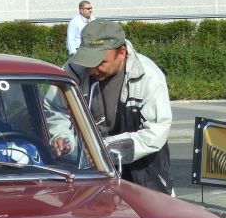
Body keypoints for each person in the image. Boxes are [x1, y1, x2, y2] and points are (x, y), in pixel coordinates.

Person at [64, 19, 174, 194]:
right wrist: (63, 137)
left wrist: (102, 149)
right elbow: (55, 110)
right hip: (88, 174)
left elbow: (157, 129)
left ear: (122, 52)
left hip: (144, 173)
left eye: (100, 63)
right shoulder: (74, 70)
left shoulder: (149, 76)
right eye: (87, 61)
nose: (92, 70)